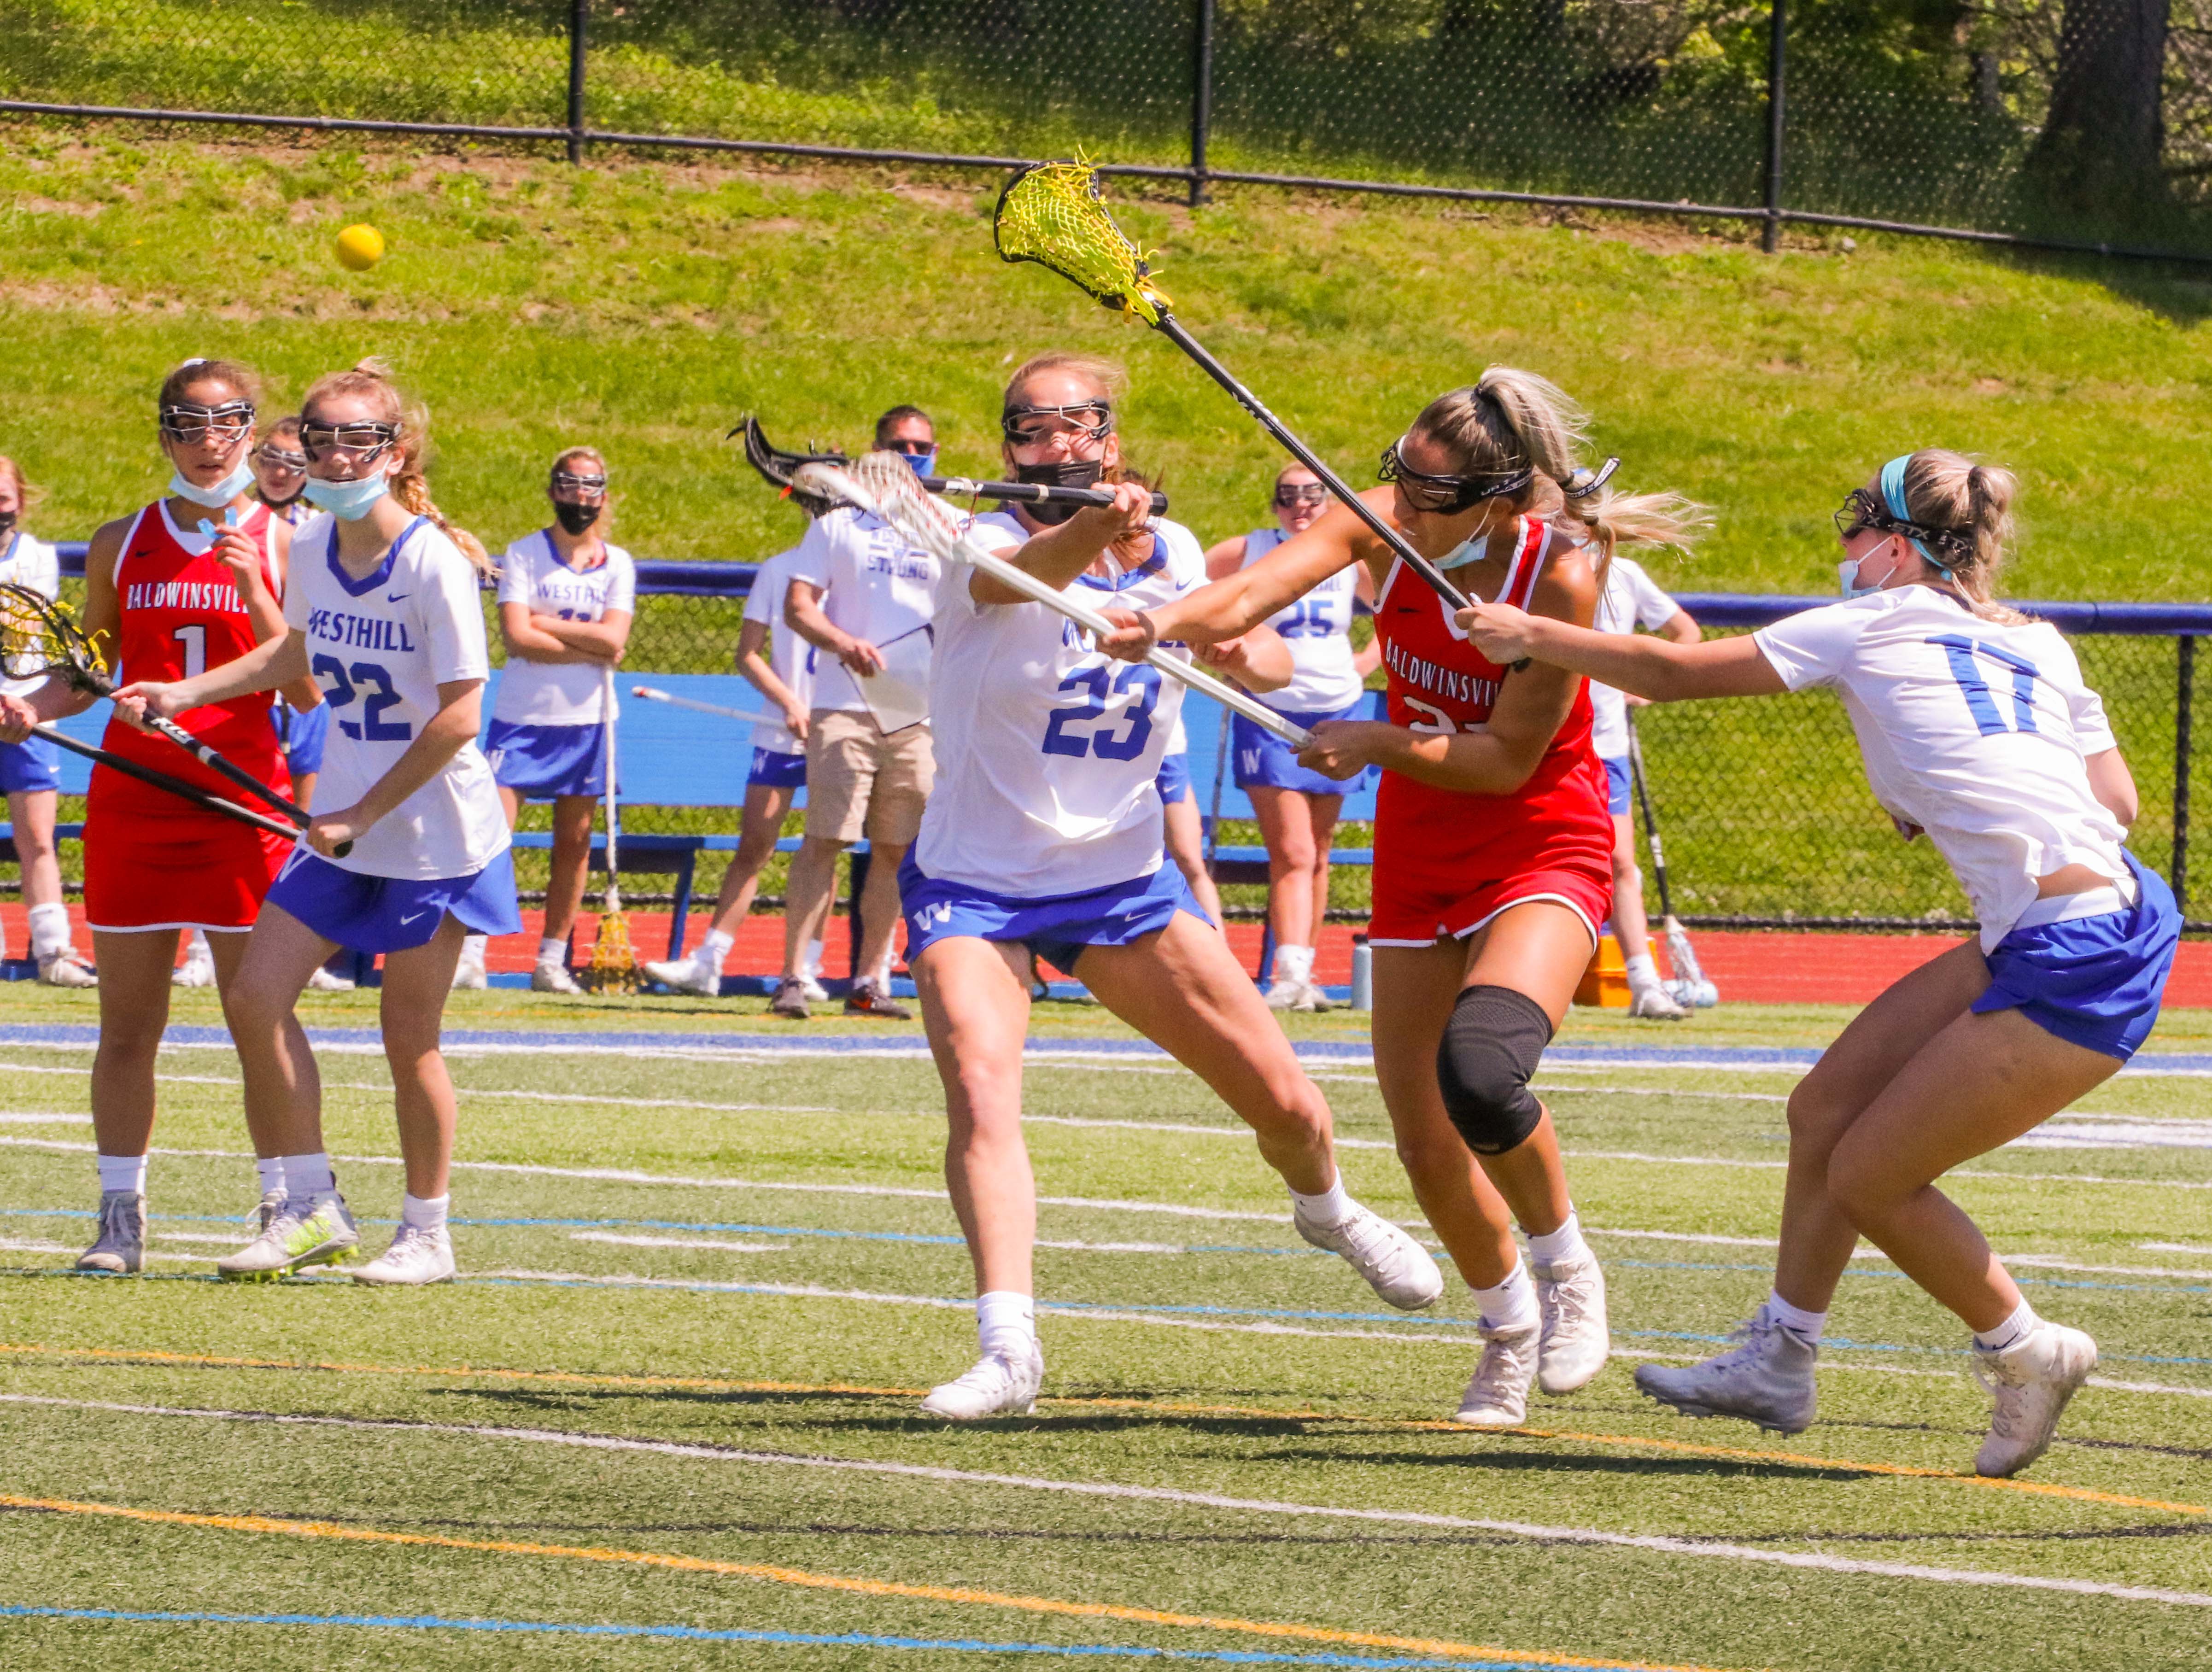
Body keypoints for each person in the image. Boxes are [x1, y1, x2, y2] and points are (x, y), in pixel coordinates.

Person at [1463, 450, 2172, 1479]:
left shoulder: (1870, 621)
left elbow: (1670, 672)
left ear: (1895, 544)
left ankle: (2025, 1348)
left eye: (1855, 530)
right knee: (1823, 1112)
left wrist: (1530, 633)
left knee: (1871, 1176)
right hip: (2079, 913)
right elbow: (2117, 805)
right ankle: (1781, 1358)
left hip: (2075, 946)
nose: (1841, 551)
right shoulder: (2042, 643)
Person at [1102, 369, 1702, 1426]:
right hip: (1422, 844)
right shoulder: (1387, 514)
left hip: (1538, 835)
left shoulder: (1564, 566)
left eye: (1433, 493)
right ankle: (1508, 1327)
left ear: (1499, 496)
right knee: (1424, 1141)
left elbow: (1508, 759)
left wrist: (1377, 741)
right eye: (1402, 480)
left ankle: (1568, 1270)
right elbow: (1246, 595)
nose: (1406, 505)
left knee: (1482, 1070)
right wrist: (1160, 622)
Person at [904, 352, 1441, 1421]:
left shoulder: (1183, 549)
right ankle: (1009, 1343)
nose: (1049, 444)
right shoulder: (977, 542)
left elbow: (1270, 660)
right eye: (1027, 427)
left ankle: (1327, 1207)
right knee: (979, 1080)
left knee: (1290, 1103)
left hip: (1123, 879)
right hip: (979, 879)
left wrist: (1242, 653)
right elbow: (1041, 565)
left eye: (1072, 424)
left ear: (1109, 435)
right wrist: (1100, 530)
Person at [119, 358, 521, 1286]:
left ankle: (427, 1232)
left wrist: (357, 812)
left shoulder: (433, 562)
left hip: (431, 838)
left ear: (396, 450)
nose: (336, 459)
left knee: (405, 1033)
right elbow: (292, 653)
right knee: (256, 997)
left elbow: (461, 715)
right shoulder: (305, 548)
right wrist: (180, 691)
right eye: (321, 437)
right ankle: (310, 1207)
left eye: (357, 441)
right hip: (345, 827)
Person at [0, 358, 322, 1274]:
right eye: (186, 422)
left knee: (256, 1015)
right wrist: (32, 704)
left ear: (252, 429)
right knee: (126, 1025)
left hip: (238, 803)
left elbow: (302, 687)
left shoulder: (288, 540)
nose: (205, 439)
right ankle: (119, 1216)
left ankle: (283, 1206)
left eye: (224, 422)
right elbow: (90, 666)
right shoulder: (121, 539)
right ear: (163, 431)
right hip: (135, 802)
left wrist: (256, 585)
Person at [775, 404, 942, 1021]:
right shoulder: (838, 524)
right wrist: (842, 642)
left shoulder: (947, 525)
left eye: (923, 445)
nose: (911, 454)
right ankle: (795, 974)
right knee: (826, 836)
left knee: (896, 847)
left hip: (914, 704)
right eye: (899, 444)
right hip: (846, 699)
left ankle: (872, 977)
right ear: (874, 452)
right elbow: (799, 606)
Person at [459, 447, 635, 995]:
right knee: (490, 837)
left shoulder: (619, 563)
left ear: (603, 496)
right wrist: (582, 640)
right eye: (569, 485)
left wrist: (546, 625)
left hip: (588, 721)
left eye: (590, 487)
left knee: (574, 843)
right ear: (552, 491)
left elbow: (615, 643)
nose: (580, 497)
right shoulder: (525, 555)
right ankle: (470, 951)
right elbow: (517, 638)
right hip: (522, 717)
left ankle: (552, 959)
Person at [1205, 464, 1380, 1011]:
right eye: (1288, 497)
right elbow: (1192, 591)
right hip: (1267, 708)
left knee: (1319, 851)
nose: (1300, 506)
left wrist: (1363, 664)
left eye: (1312, 495)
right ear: (1274, 504)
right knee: (1292, 849)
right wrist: (1228, 654)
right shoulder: (1252, 548)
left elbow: (1393, 610)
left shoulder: (1347, 552)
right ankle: (1287, 974)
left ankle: (1304, 973)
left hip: (1336, 706)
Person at [640, 538, 829, 999]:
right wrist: (789, 702)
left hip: (839, 730)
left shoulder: (860, 572)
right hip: (780, 731)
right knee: (755, 845)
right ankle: (710, 960)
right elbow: (748, 653)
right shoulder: (779, 568)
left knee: (824, 846)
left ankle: (807, 965)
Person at [179, 422, 316, 992]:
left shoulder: (308, 535)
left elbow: (306, 685)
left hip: (284, 713)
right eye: (273, 459)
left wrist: (254, 586)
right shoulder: (223, 522)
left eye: (295, 460)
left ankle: (305, 939)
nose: (282, 470)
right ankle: (199, 948)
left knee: (295, 827)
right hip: (206, 718)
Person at [1588, 555, 1701, 1018]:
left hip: (1605, 745)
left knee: (1618, 859)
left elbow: (1685, 633)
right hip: (1541, 739)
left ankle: (1643, 983)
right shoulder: (1532, 565)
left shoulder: (1623, 573)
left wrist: (1648, 687)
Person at [0, 456, 96, 988]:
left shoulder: (35, 557)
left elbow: (24, 628)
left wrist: (18, 704)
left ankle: (54, 950)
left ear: (19, 500)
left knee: (37, 838)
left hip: (23, 709)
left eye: (2, 499)